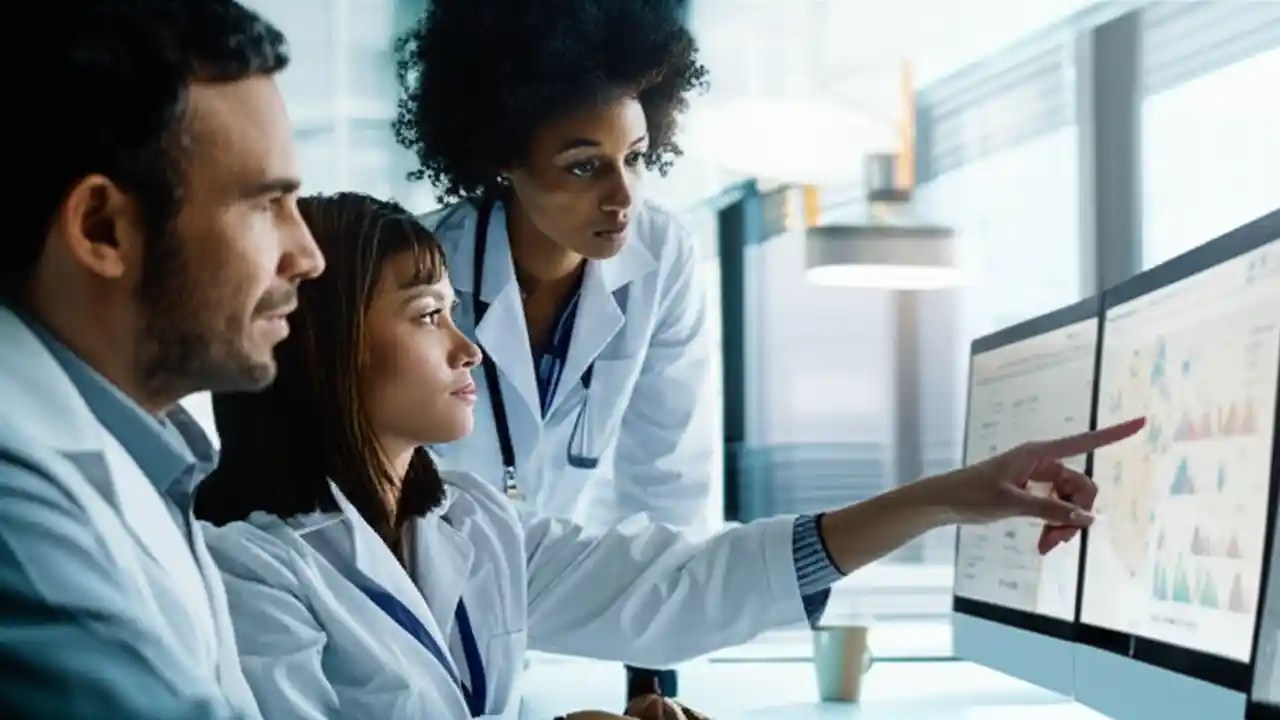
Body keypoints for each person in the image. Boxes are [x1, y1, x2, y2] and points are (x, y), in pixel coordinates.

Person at [194, 191, 1145, 720]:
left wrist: (946, 497)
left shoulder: (471, 524)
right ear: (321, 351)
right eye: (430, 316)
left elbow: (680, 586)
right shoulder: (248, 571)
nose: (468, 347)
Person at [0, 1, 324, 717]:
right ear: (103, 228)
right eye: (267, 204)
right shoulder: (13, 505)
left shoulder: (146, 451)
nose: (308, 256)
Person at [394, 0, 715, 698]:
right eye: (582, 167)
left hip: (552, 616)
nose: (621, 197)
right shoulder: (418, 269)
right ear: (505, 158)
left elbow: (664, 480)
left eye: (635, 157)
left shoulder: (662, 257)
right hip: (416, 631)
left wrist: (651, 688)